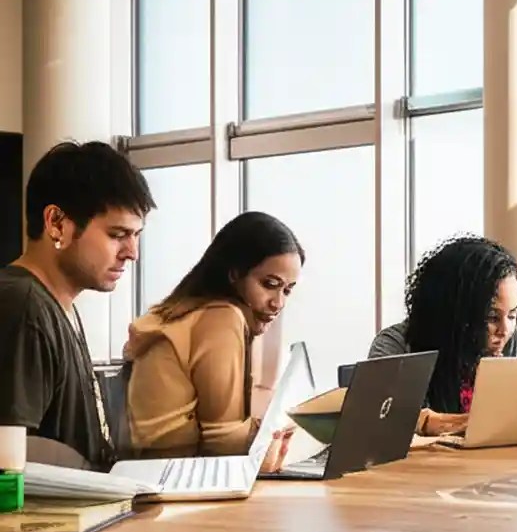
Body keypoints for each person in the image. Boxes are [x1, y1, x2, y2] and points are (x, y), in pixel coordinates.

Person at [0, 141, 155, 469]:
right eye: (117, 235)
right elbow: (6, 469)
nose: (132, 252)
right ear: (56, 223)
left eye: (137, 235)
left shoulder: (57, 304)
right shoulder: (24, 306)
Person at [124, 212, 303, 470]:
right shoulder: (221, 317)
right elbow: (225, 442)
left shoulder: (189, 310)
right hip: (176, 480)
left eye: (287, 290)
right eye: (269, 284)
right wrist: (289, 432)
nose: (278, 303)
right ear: (234, 274)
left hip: (155, 473)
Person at [368, 235, 517, 436]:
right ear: (454, 312)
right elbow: (377, 420)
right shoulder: (397, 347)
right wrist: (429, 422)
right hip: (425, 467)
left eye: (512, 315)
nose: (505, 330)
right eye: (492, 317)